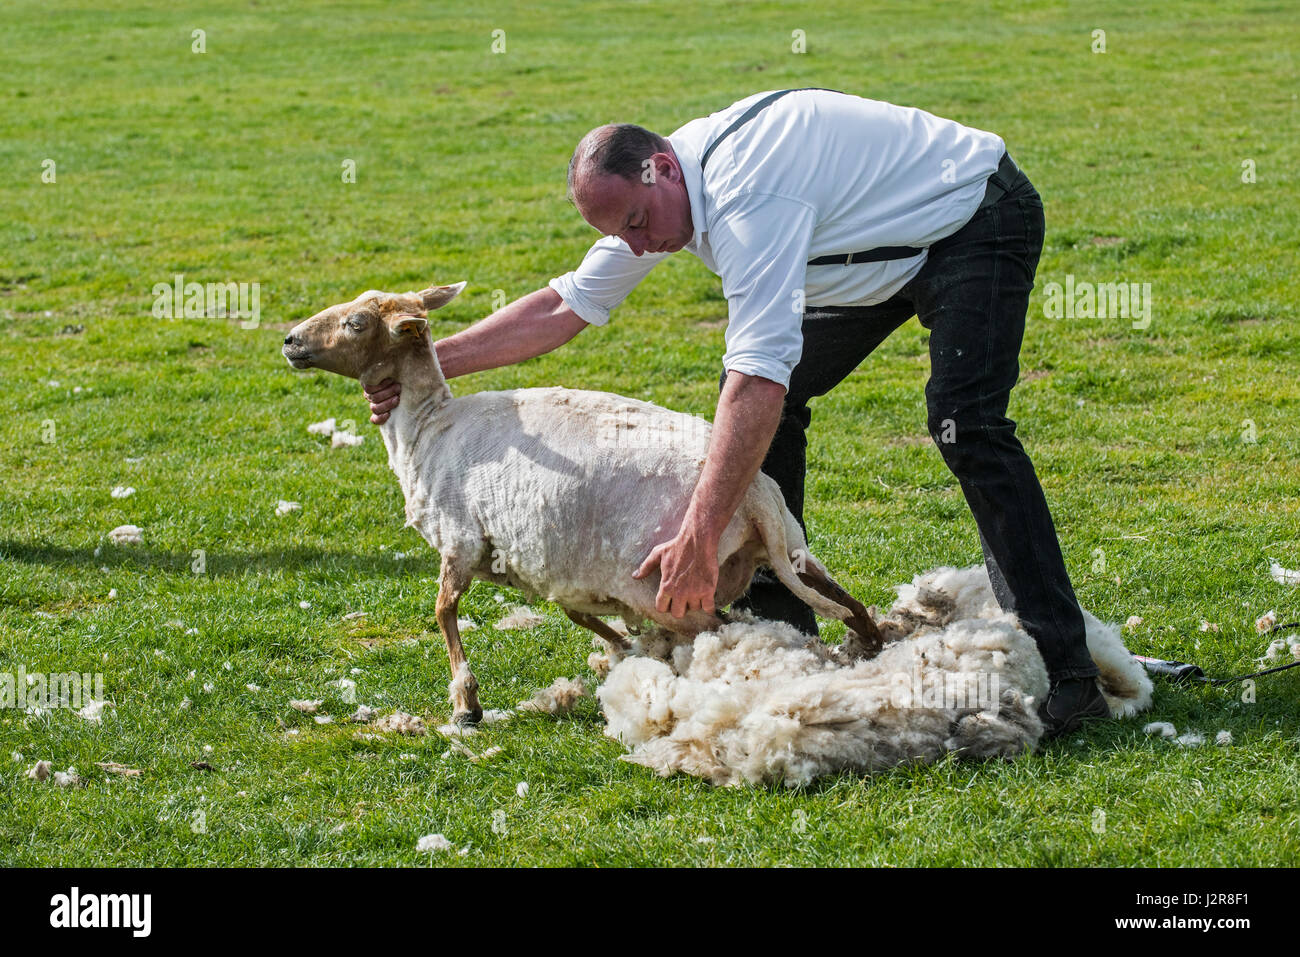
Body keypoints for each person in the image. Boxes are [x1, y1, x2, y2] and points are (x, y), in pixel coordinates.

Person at [364, 88, 1109, 738]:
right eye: (616, 234)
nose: (635, 244)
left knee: (963, 421)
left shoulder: (749, 191)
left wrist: (695, 536)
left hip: (973, 217)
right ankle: (777, 632)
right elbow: (566, 304)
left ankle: (1064, 668)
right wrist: (423, 369)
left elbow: (757, 380)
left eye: (634, 222)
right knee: (768, 414)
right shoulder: (661, 195)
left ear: (657, 168)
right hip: (867, 250)